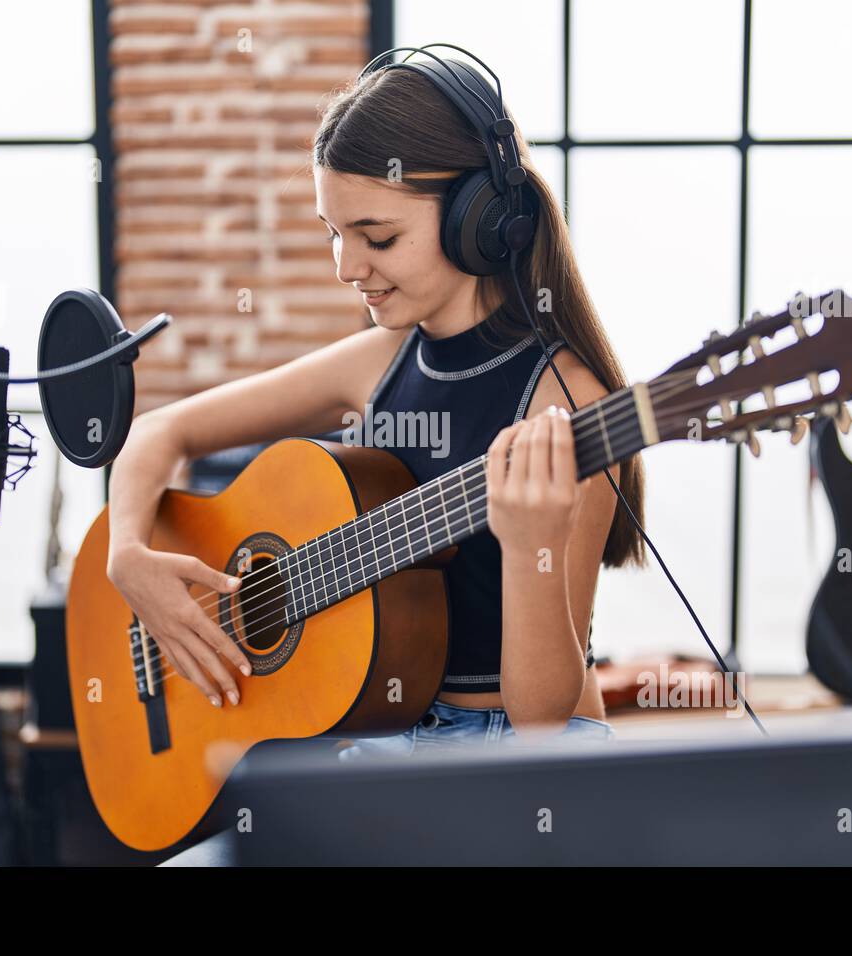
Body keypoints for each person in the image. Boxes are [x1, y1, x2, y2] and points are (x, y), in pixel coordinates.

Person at [105, 54, 647, 761]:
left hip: (514, 752)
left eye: (377, 237)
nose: (345, 266)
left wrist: (532, 543)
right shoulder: (377, 362)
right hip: (382, 739)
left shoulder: (565, 403)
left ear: (477, 219)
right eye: (333, 232)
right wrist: (127, 554)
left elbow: (541, 717)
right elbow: (161, 431)